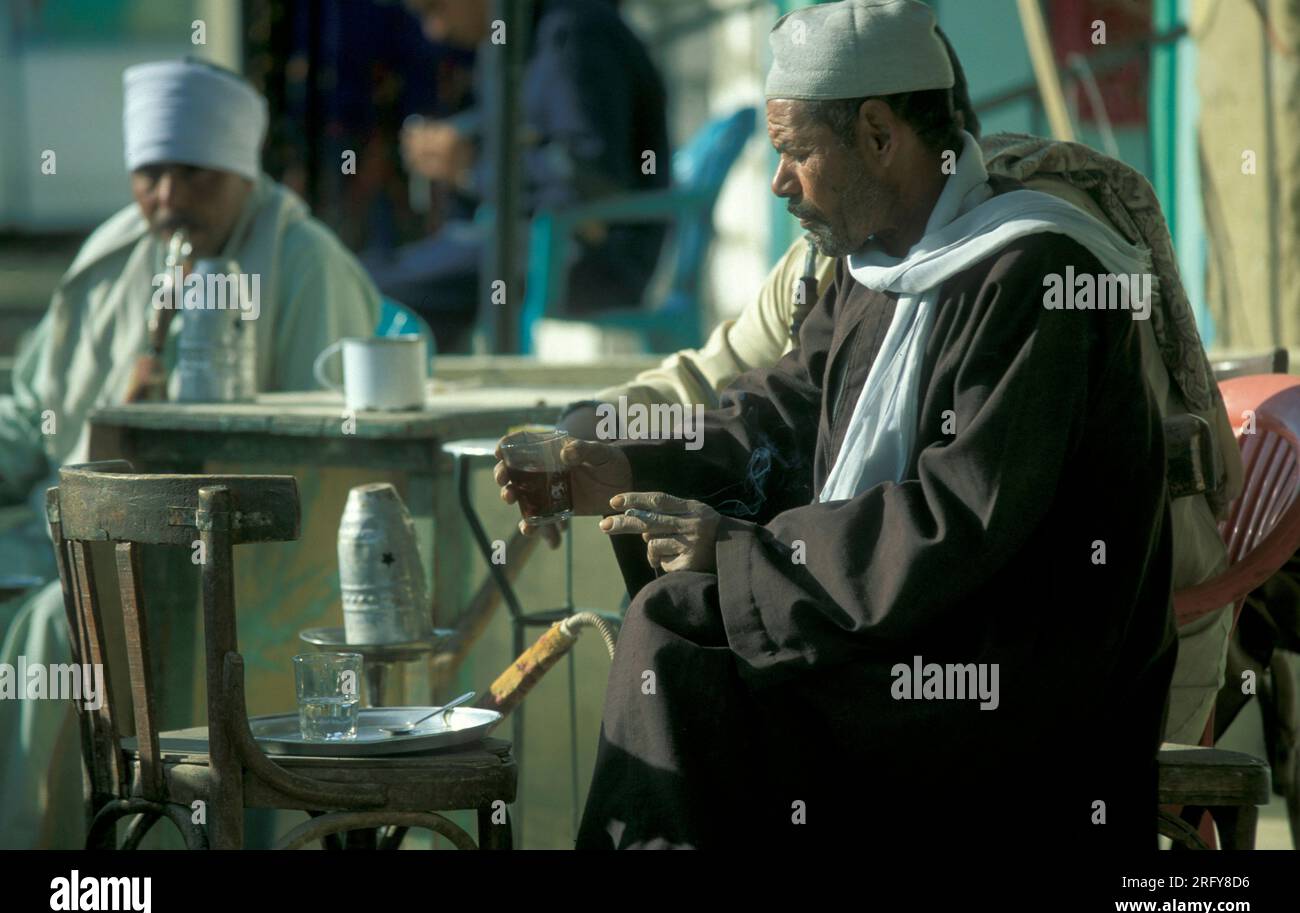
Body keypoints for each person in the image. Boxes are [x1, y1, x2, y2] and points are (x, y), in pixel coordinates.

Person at [499, 0, 1177, 849]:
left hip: (1004, 684)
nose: (780, 183)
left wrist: (749, 558)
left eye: (795, 152)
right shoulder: (874, 267)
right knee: (682, 635)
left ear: (880, 134)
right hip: (905, 640)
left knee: (682, 638)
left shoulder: (1037, 276)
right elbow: (778, 414)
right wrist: (626, 463)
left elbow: (957, 520)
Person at [0, 58, 380, 848]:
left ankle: (102, 855)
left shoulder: (306, 266)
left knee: (57, 627)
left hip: (249, 570)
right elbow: (30, 410)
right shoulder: (114, 258)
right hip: (84, 539)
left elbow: (330, 459)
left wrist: (167, 437)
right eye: (150, 174)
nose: (167, 198)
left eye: (194, 173)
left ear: (241, 172)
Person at [366, 0, 670, 353]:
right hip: (531, 242)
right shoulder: (508, 43)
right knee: (368, 274)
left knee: (381, 289)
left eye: (435, 9)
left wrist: (469, 168)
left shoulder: (573, 34)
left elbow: (589, 178)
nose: (435, 31)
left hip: (590, 257)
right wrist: (459, 153)